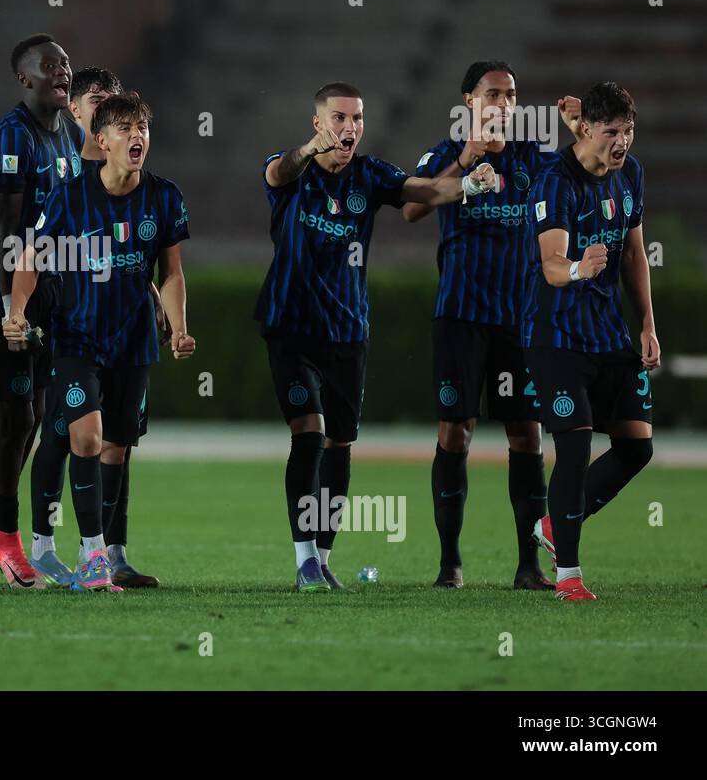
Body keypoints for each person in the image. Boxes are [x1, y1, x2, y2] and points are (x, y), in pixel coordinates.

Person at [256, 81, 496, 592]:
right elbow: (279, 170)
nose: (350, 128)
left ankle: (322, 558)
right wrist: (306, 151)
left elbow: (424, 191)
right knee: (310, 431)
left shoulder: (370, 174)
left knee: (340, 444)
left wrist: (470, 185)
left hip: (346, 331)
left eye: (357, 119)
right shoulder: (289, 171)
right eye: (340, 118)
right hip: (289, 327)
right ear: (319, 122)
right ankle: (302, 561)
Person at [5, 92, 193, 590]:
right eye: (126, 128)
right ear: (101, 139)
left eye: (143, 128)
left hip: (134, 343)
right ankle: (89, 559)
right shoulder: (70, 197)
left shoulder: (165, 196)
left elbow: (171, 272)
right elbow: (32, 258)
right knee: (82, 437)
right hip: (77, 339)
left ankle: (111, 553)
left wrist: (177, 326)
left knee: (117, 449)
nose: (137, 136)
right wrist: (16, 310)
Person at [402, 60, 563, 590]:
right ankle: (450, 563)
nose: (503, 102)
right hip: (461, 318)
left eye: (511, 94)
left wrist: (584, 128)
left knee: (527, 435)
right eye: (493, 93)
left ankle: (529, 565)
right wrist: (466, 162)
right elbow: (411, 208)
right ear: (468, 100)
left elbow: (573, 180)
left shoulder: (532, 157)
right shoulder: (445, 153)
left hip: (518, 321)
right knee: (455, 432)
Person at [524, 83, 657, 601]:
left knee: (637, 447)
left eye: (628, 131)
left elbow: (634, 257)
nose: (622, 141)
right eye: (611, 131)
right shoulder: (553, 182)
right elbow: (552, 265)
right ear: (586, 129)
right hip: (557, 337)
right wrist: (580, 266)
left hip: (609, 335)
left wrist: (647, 324)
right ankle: (568, 577)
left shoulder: (632, 175)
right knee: (575, 447)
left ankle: (556, 524)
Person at [0, 34, 82, 587]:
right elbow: (7, 231)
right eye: (50, 66)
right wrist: (14, 309)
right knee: (18, 417)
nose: (63, 72)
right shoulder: (12, 138)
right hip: (5, 291)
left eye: (65, 64)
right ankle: (6, 540)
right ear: (24, 78)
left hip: (48, 289)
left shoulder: (71, 135)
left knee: (33, 416)